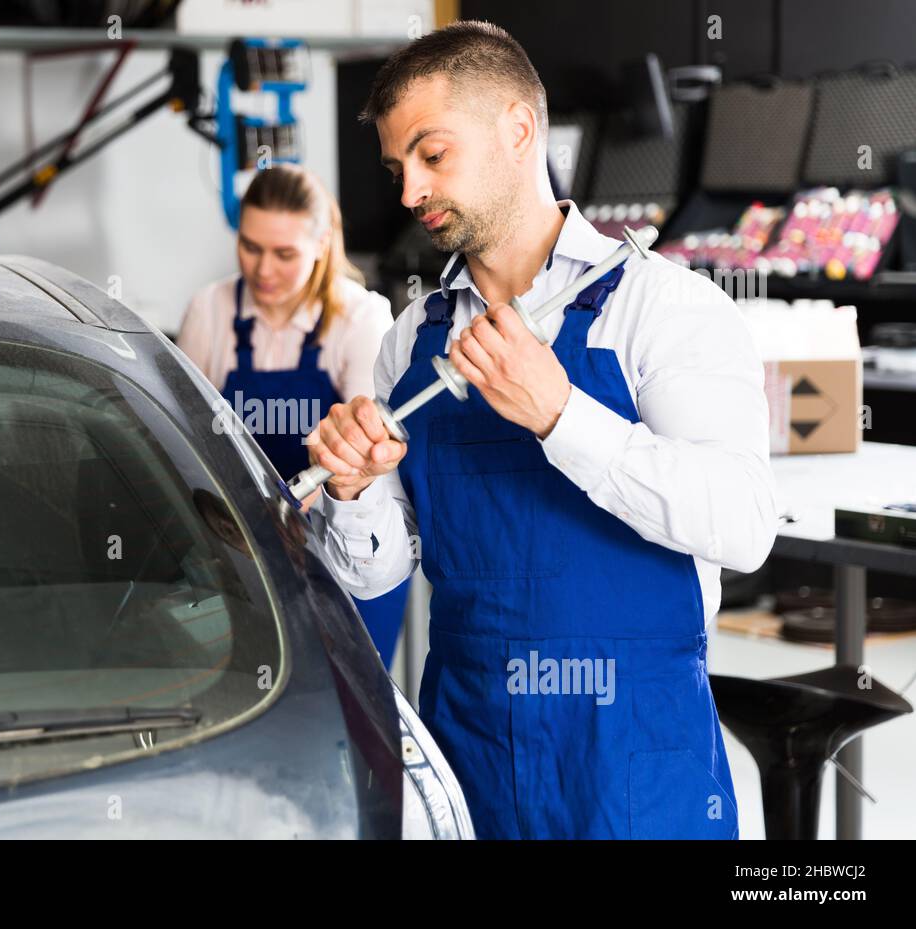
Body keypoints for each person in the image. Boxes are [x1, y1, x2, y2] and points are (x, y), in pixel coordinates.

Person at [306, 21, 779, 838]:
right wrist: (351, 492)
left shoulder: (661, 307)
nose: (410, 191)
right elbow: (380, 575)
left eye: (433, 154)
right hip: (470, 754)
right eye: (397, 169)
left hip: (634, 770)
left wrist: (562, 415)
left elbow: (742, 526)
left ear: (519, 129)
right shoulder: (410, 344)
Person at [178, 164, 407, 667]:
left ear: (323, 243)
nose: (263, 270)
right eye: (251, 247)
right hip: (243, 559)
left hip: (344, 557)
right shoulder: (210, 310)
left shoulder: (360, 317)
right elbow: (184, 439)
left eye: (284, 254)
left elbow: (365, 453)